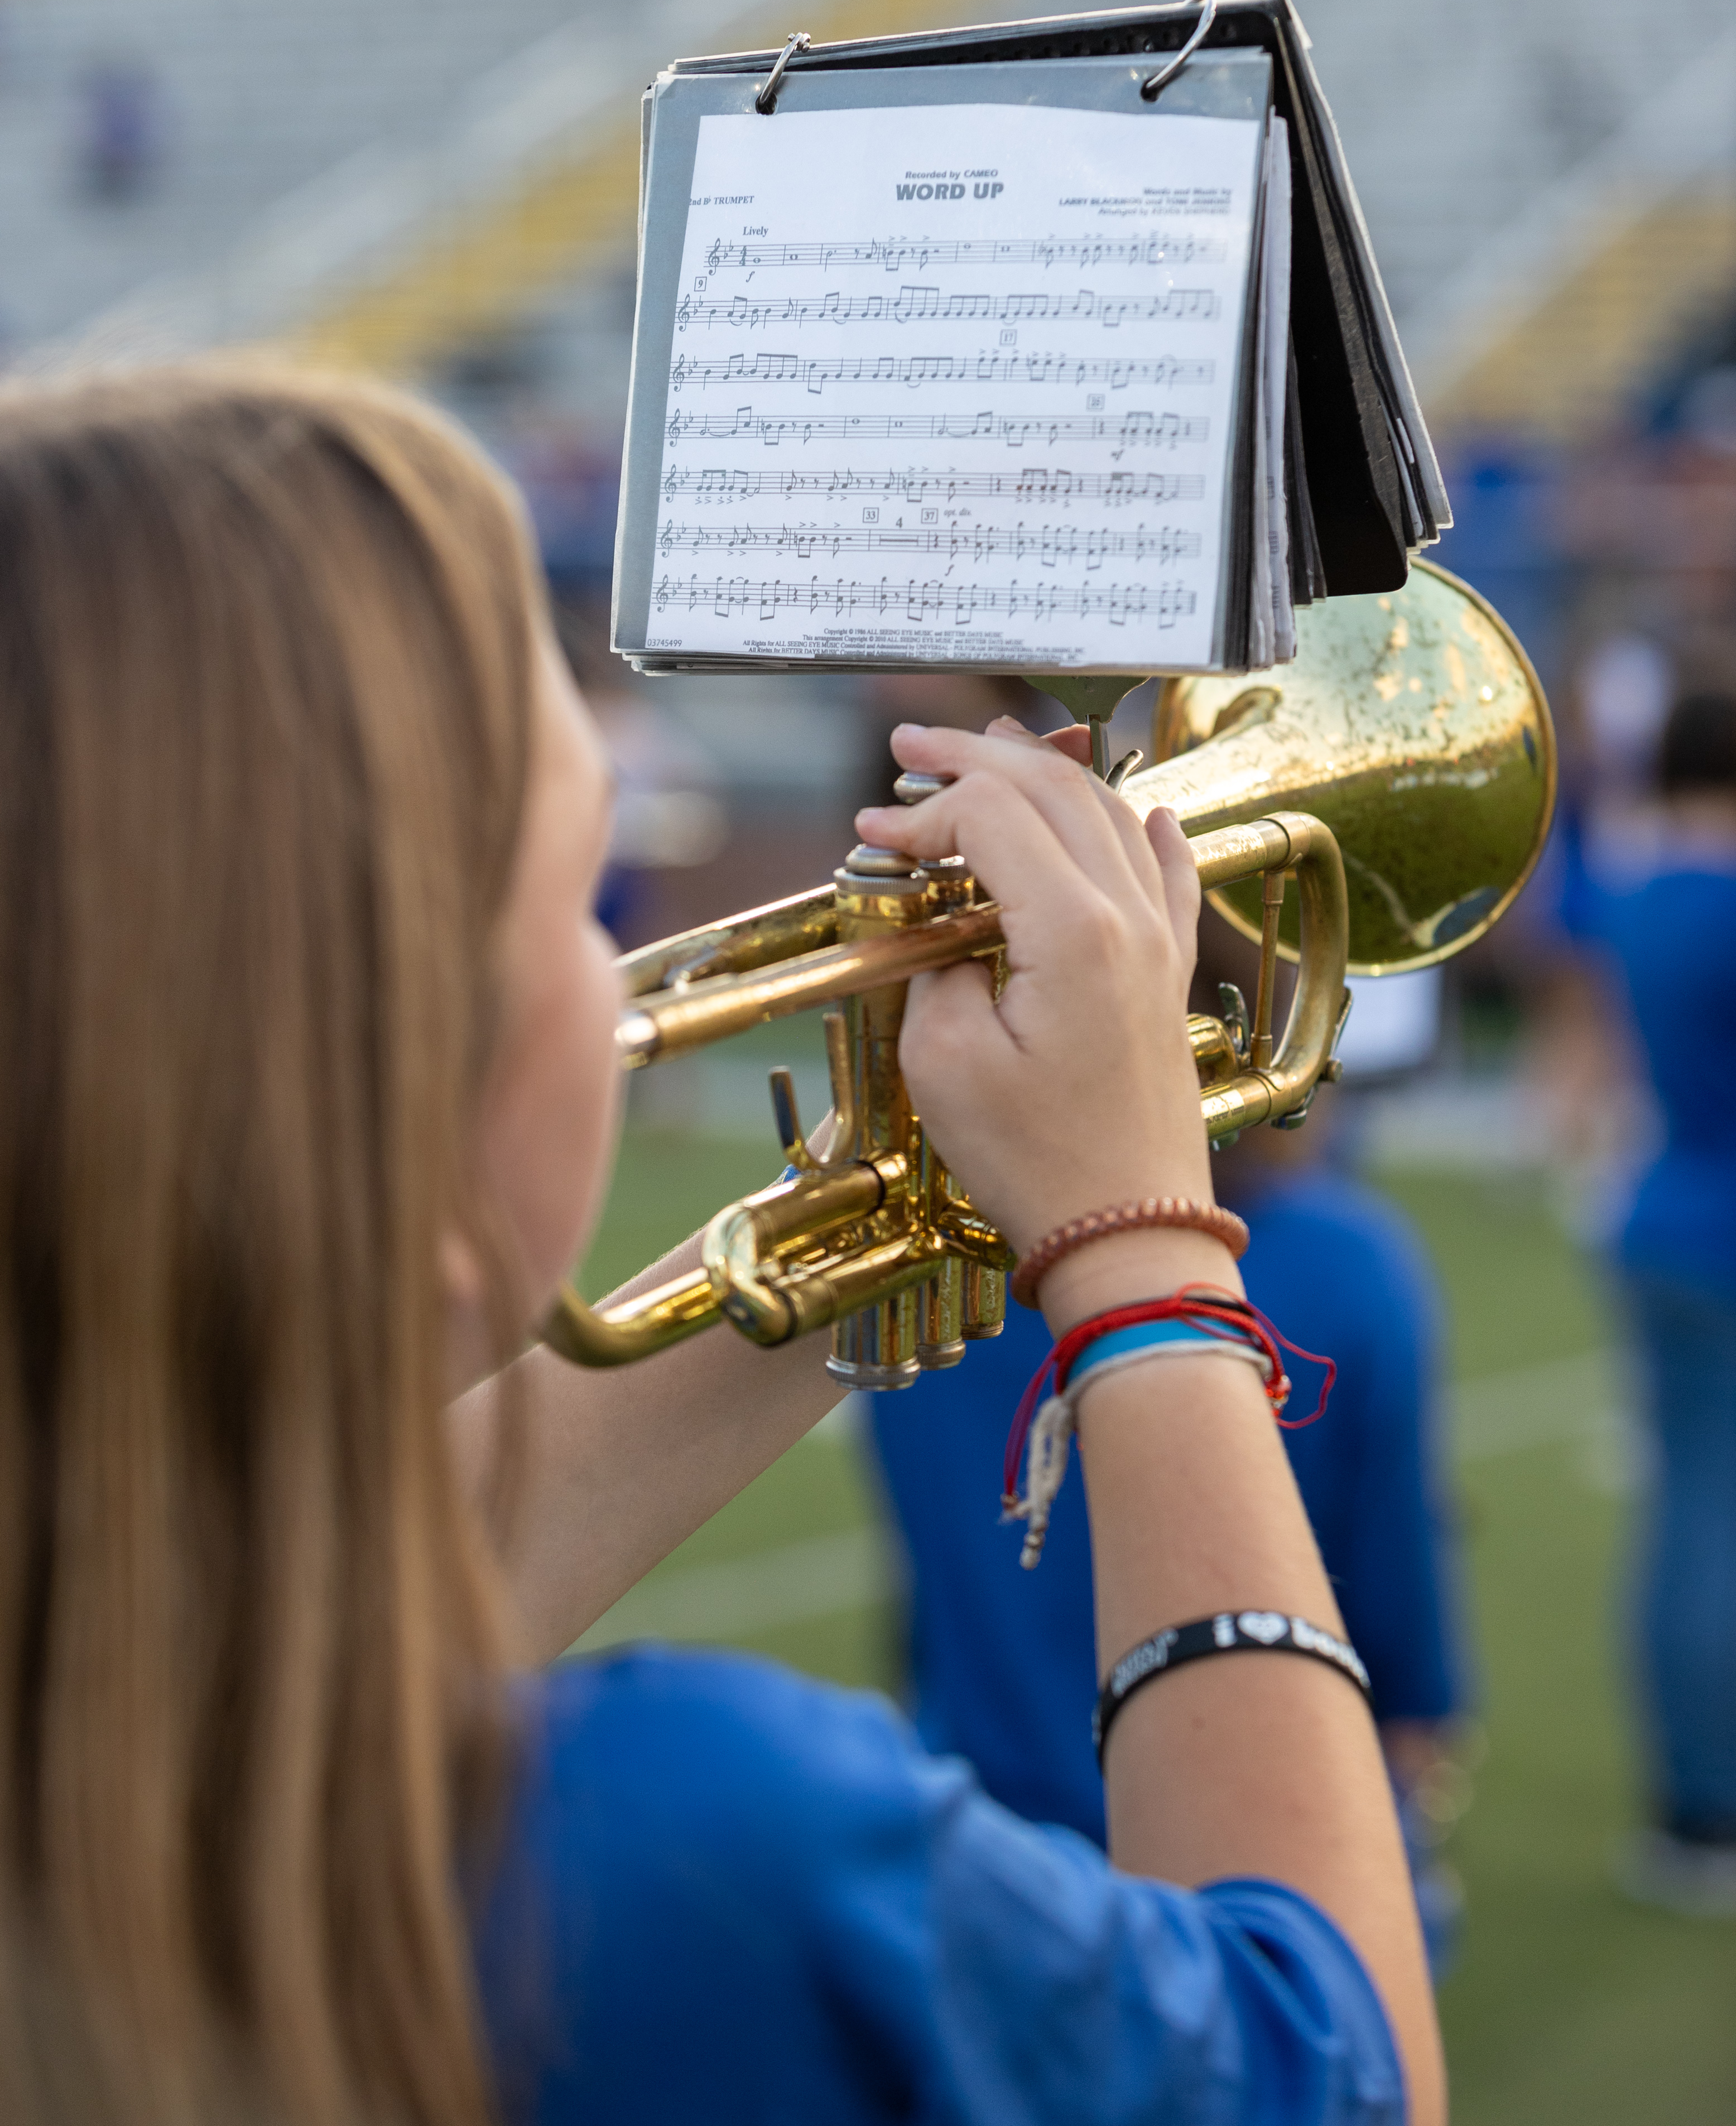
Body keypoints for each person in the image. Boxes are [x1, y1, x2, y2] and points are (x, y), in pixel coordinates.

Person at [0, 363, 1442, 2125]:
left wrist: (908, 1193)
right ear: (390, 1090)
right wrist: (1144, 1252)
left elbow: (308, 1628)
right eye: (574, 884)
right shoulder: (686, 1835)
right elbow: (1333, 2063)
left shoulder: (98, 1645)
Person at [867, 934, 1471, 1975]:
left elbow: (929, 1599)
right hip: (1253, 1890)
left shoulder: (910, 1271)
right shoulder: (1351, 1264)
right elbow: (1398, 1611)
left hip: (980, 1872)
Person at [1561, 691, 1736, 1913]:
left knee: (1687, 1511)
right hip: (1714, 1224)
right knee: (1705, 1522)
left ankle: (1692, 1802)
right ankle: (1705, 1808)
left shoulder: (1635, 889)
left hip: (1652, 1209)